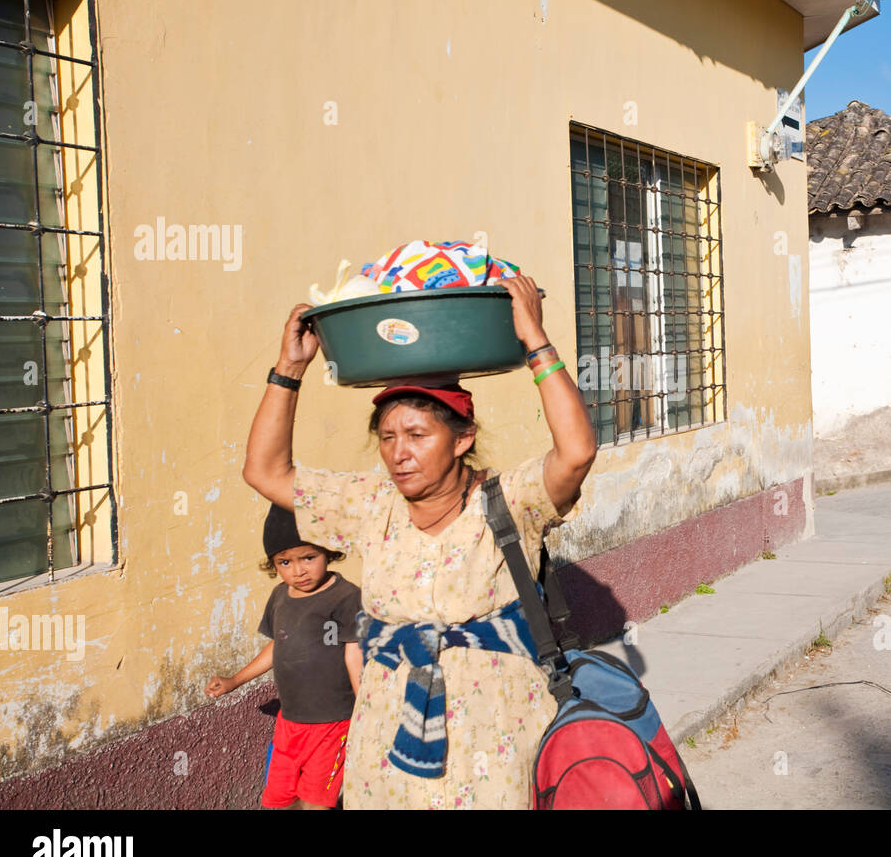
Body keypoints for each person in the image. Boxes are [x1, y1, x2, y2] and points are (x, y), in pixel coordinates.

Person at [242, 274, 597, 809]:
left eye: (416, 435)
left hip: (492, 742)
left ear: (462, 438)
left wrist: (534, 343)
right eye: (387, 437)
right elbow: (265, 471)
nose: (397, 453)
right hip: (387, 744)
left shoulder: (509, 501)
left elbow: (575, 452)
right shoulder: (370, 504)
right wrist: (290, 369)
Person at [205, 504, 363, 809]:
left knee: (316, 802)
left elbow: (354, 657)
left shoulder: (345, 597)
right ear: (273, 564)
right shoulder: (280, 597)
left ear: (328, 551)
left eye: (308, 557)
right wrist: (234, 680)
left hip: (333, 725)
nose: (298, 570)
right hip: (289, 725)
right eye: (285, 562)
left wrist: (364, 715)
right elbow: (278, 646)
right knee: (277, 801)